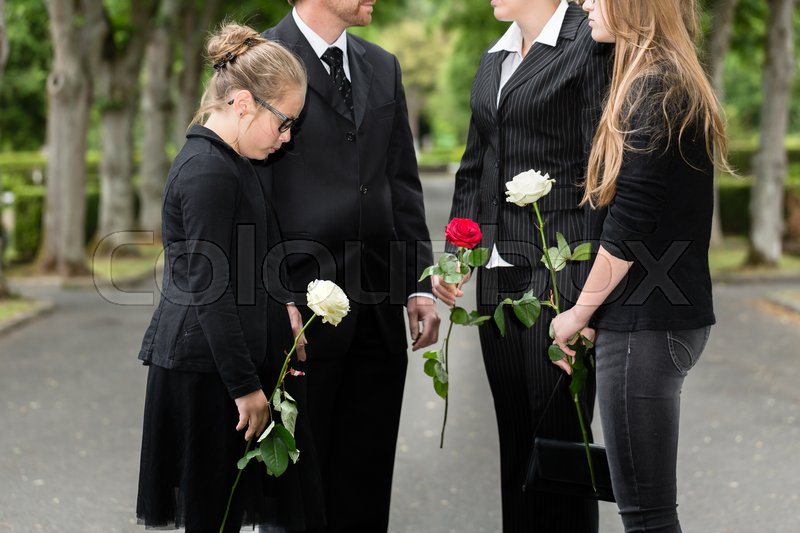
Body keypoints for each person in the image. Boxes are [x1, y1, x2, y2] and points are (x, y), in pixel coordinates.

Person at [135, 23, 324, 532]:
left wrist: (282, 302)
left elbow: (253, 256)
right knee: (213, 517)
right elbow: (210, 290)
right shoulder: (208, 172)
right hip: (208, 375)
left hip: (230, 366)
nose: (286, 139)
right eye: (284, 123)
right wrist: (245, 387)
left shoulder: (235, 163)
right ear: (243, 102)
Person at [260, 1, 440, 531]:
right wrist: (275, 299)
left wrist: (419, 284)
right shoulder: (258, 60)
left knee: (364, 488)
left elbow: (401, 183)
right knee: (293, 497)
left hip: (380, 315)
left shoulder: (383, 65)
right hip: (299, 319)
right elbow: (248, 190)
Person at [432, 1, 612, 531]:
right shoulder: (496, 56)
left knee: (559, 446)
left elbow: (604, 176)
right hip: (499, 283)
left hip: (563, 280)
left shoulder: (590, 43)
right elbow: (475, 167)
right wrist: (460, 252)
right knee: (516, 442)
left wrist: (589, 300)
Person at [551, 1, 729, 531]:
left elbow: (627, 228)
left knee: (647, 517)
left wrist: (578, 315)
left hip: (645, 328)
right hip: (667, 319)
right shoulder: (668, 81)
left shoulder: (654, 89)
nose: (583, 3)